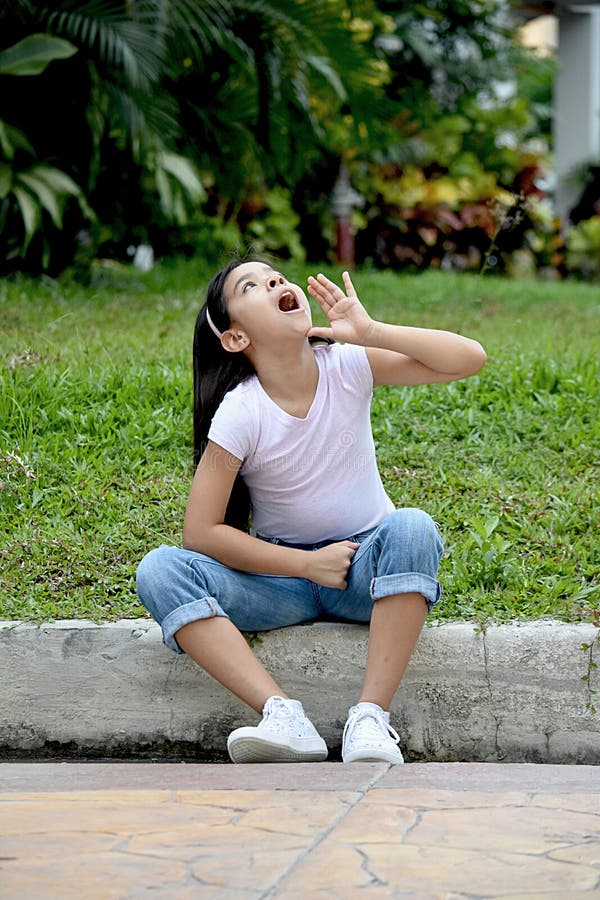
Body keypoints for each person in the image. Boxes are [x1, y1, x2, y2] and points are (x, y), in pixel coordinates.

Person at [136, 254, 486, 765]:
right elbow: (202, 533)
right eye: (250, 285)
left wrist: (369, 330)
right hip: (283, 583)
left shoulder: (348, 363)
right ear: (235, 338)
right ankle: (282, 715)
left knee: (412, 527)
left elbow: (468, 358)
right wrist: (305, 564)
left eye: (274, 274)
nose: (275, 280)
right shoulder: (241, 411)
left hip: (365, 572)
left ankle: (370, 718)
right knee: (160, 570)